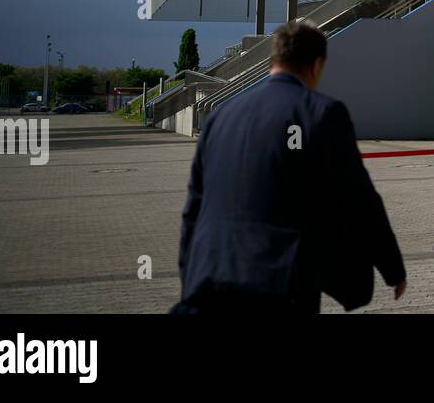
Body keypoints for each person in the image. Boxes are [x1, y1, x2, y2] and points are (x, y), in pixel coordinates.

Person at [172, 19, 406, 313]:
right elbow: (359, 199)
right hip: (278, 285)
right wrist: (392, 268)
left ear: (275, 59)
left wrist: (189, 280)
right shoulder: (321, 113)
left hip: (208, 281)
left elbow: (193, 208)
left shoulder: (222, 115)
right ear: (316, 64)